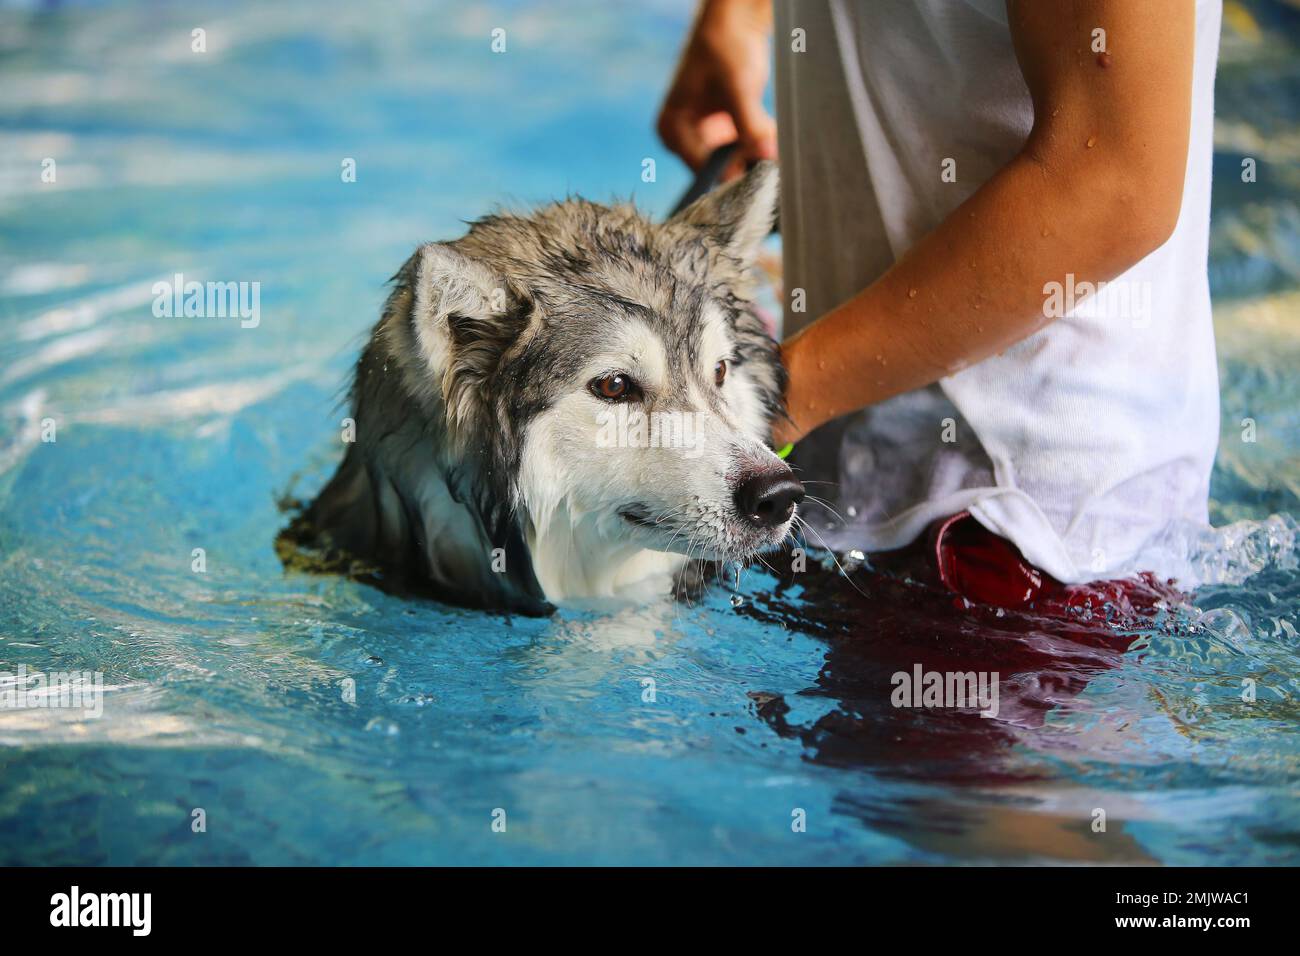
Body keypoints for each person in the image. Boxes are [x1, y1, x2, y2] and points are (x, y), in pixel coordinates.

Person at [658, 0, 1223, 605]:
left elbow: (1115, 188)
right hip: (835, 463)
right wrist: (742, 13)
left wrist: (768, 395)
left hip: (1022, 538)